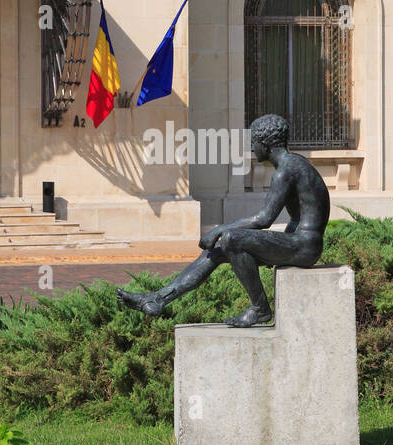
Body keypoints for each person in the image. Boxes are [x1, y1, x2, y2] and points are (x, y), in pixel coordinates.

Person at [117, 113, 330, 327]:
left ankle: (259, 309)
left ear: (265, 144)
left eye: (254, 143)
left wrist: (218, 229)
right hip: (297, 244)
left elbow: (264, 219)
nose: (253, 149)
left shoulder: (285, 171)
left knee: (230, 238)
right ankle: (158, 299)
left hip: (303, 248)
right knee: (216, 252)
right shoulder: (295, 164)